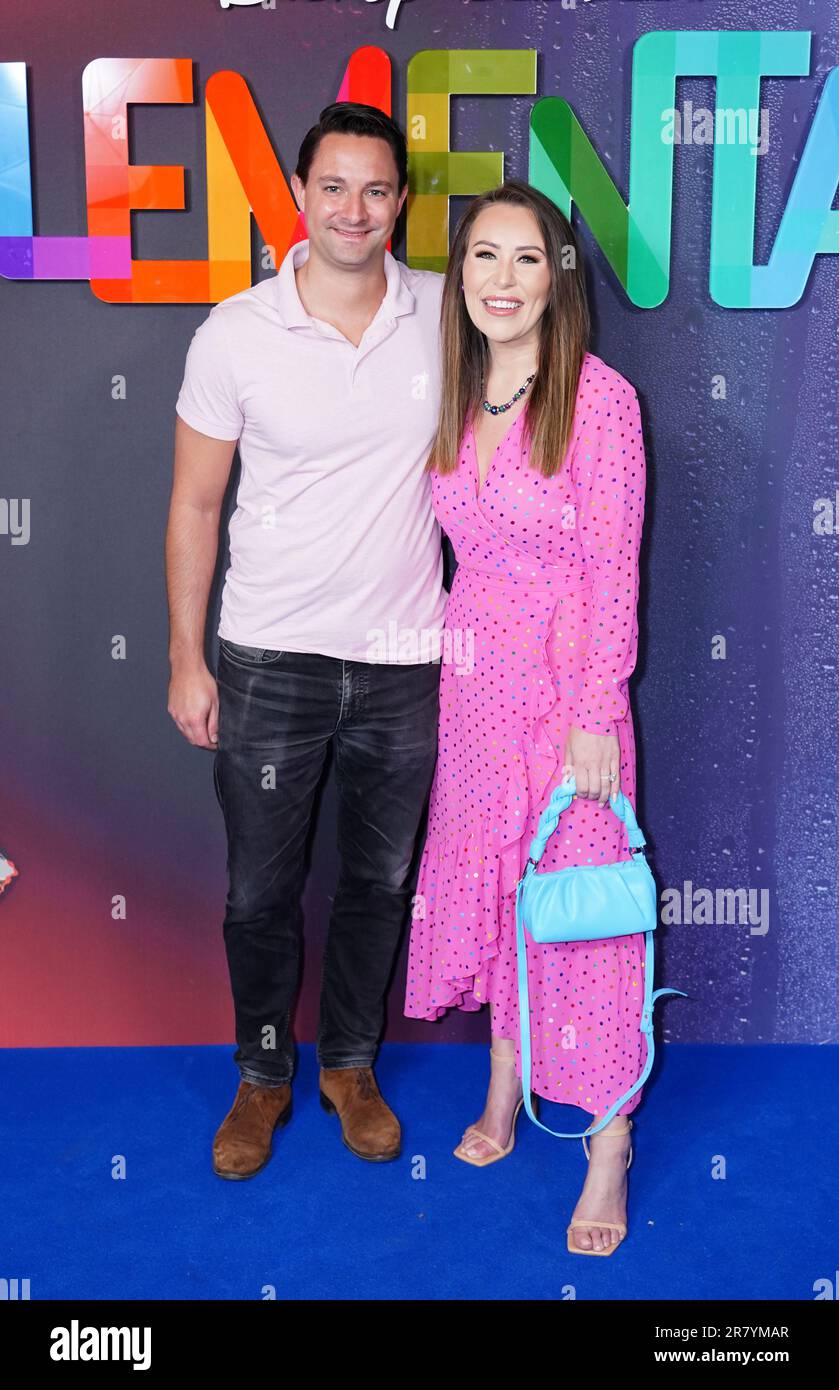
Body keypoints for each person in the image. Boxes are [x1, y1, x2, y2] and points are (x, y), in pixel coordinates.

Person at [166, 102, 446, 1179]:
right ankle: (265, 1072)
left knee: (379, 879)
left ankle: (353, 1066)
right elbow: (196, 506)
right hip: (269, 656)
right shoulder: (233, 332)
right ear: (298, 195)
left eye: (376, 189)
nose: (353, 209)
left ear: (400, 203)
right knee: (258, 892)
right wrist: (188, 658)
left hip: (403, 658)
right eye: (334, 187)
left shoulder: (442, 313)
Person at [404, 179, 648, 1255]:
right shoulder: (452, 392)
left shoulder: (597, 399)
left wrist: (597, 712)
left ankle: (606, 1141)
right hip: (472, 692)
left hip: (565, 699)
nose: (501, 281)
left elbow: (612, 568)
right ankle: (505, 1082)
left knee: (579, 903)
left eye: (524, 259)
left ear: (557, 278)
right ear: (458, 276)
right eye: (482, 258)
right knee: (500, 892)